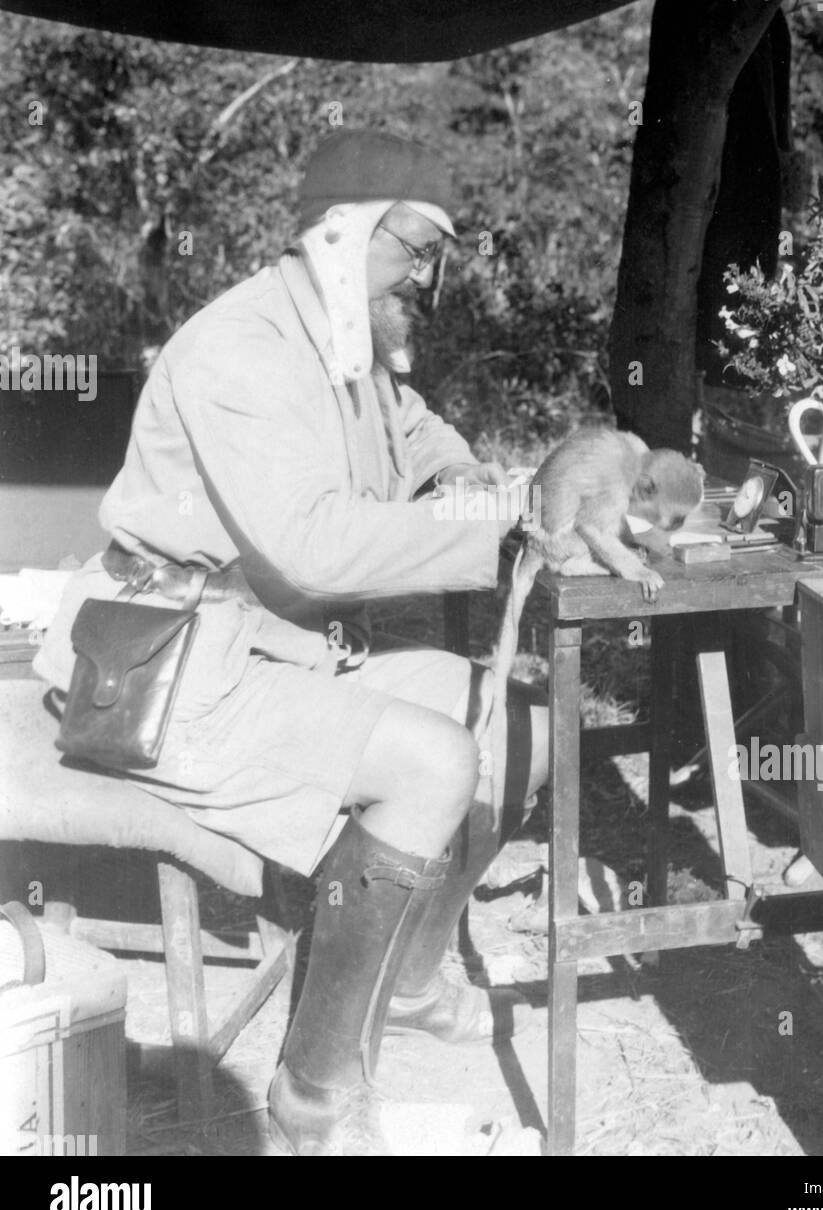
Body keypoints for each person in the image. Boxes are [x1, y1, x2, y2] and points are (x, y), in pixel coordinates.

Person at [34, 129, 549, 1156]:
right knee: (433, 758)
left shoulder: (346, 342)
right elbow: (311, 547)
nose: (430, 279)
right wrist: (497, 525)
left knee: (508, 726)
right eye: (416, 246)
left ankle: (403, 982)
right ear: (336, 231)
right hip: (166, 668)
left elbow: (422, 438)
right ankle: (311, 1104)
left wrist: (466, 483)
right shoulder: (245, 348)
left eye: (439, 256)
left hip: (265, 649)